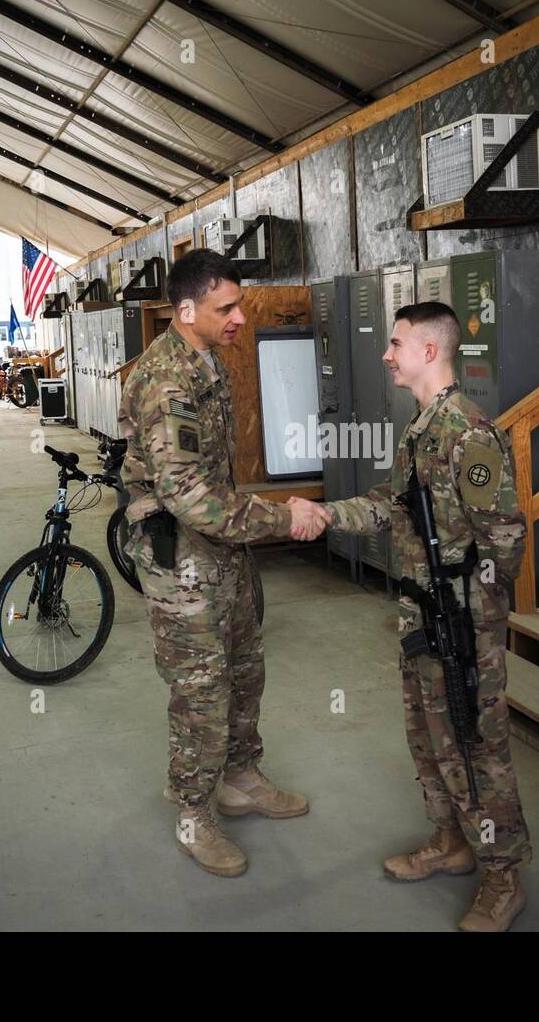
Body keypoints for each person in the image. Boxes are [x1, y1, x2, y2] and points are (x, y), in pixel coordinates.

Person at [117, 250, 328, 878]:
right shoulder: (166, 381)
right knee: (200, 690)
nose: (240, 317)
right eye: (226, 308)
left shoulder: (206, 362)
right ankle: (192, 810)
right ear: (186, 311)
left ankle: (239, 778)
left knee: (243, 666)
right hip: (182, 558)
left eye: (239, 304)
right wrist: (283, 517)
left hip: (220, 551)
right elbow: (191, 497)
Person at [325, 301, 531, 932]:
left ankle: (503, 877)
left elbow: (505, 538)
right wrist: (326, 515)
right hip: (421, 613)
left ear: (430, 351)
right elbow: (392, 506)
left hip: (460, 624)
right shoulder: (421, 427)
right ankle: (449, 841)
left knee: (476, 746)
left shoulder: (467, 433)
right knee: (427, 737)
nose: (386, 355)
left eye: (395, 343)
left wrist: (474, 622)